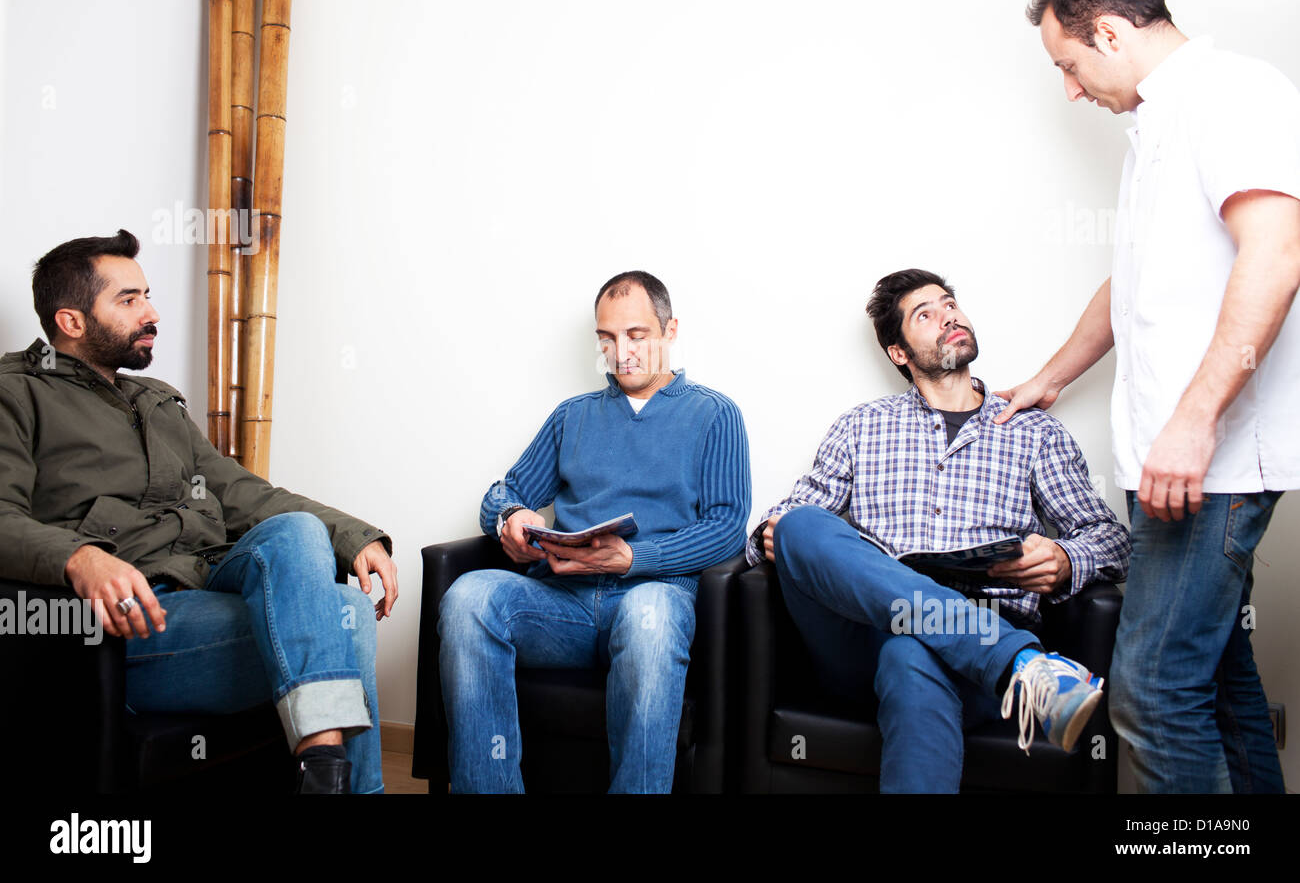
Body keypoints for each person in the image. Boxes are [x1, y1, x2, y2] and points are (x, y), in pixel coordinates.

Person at [1004, 0, 1300, 792]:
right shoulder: (1158, 126)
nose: (1069, 88)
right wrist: (1051, 377)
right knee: (1217, 682)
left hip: (1209, 460)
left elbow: (1277, 256)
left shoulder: (1236, 95)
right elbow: (1128, 282)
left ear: (1109, 31)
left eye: (1068, 65)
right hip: (1175, 459)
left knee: (1155, 694)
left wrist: (1195, 420)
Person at [0, 230, 398, 793]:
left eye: (147, 295)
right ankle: (337, 777)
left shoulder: (155, 401)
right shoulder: (16, 394)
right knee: (345, 615)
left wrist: (354, 537)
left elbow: (242, 492)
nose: (152, 312)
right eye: (129, 299)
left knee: (299, 533)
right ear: (71, 322)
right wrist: (80, 557)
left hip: (207, 582)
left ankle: (321, 768)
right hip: (133, 622)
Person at [750, 268, 1130, 792]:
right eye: (925, 314)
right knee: (801, 526)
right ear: (899, 354)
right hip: (861, 644)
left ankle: (1000, 656)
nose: (948, 315)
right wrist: (773, 535)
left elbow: (1112, 539)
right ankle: (1023, 663)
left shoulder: (1033, 432)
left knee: (911, 651)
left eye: (950, 304)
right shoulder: (860, 426)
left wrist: (1065, 559)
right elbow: (791, 520)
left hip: (968, 670)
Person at [438, 270, 750, 793]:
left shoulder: (714, 415)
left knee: (649, 614)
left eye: (636, 335)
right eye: (607, 338)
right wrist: (510, 517)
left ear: (670, 331)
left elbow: (725, 528)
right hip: (563, 606)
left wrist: (633, 559)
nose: (620, 352)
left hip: (653, 598)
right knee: (469, 596)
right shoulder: (572, 417)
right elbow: (504, 490)